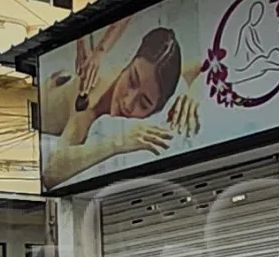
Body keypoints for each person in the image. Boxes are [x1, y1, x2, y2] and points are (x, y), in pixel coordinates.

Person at [39, 18, 204, 185]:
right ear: (129, 63)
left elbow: (205, 65)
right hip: (44, 97)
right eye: (132, 80)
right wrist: (119, 142)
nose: (128, 102)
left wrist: (195, 93)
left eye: (144, 103)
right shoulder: (90, 98)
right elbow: (51, 172)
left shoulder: (156, 80)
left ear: (157, 108)